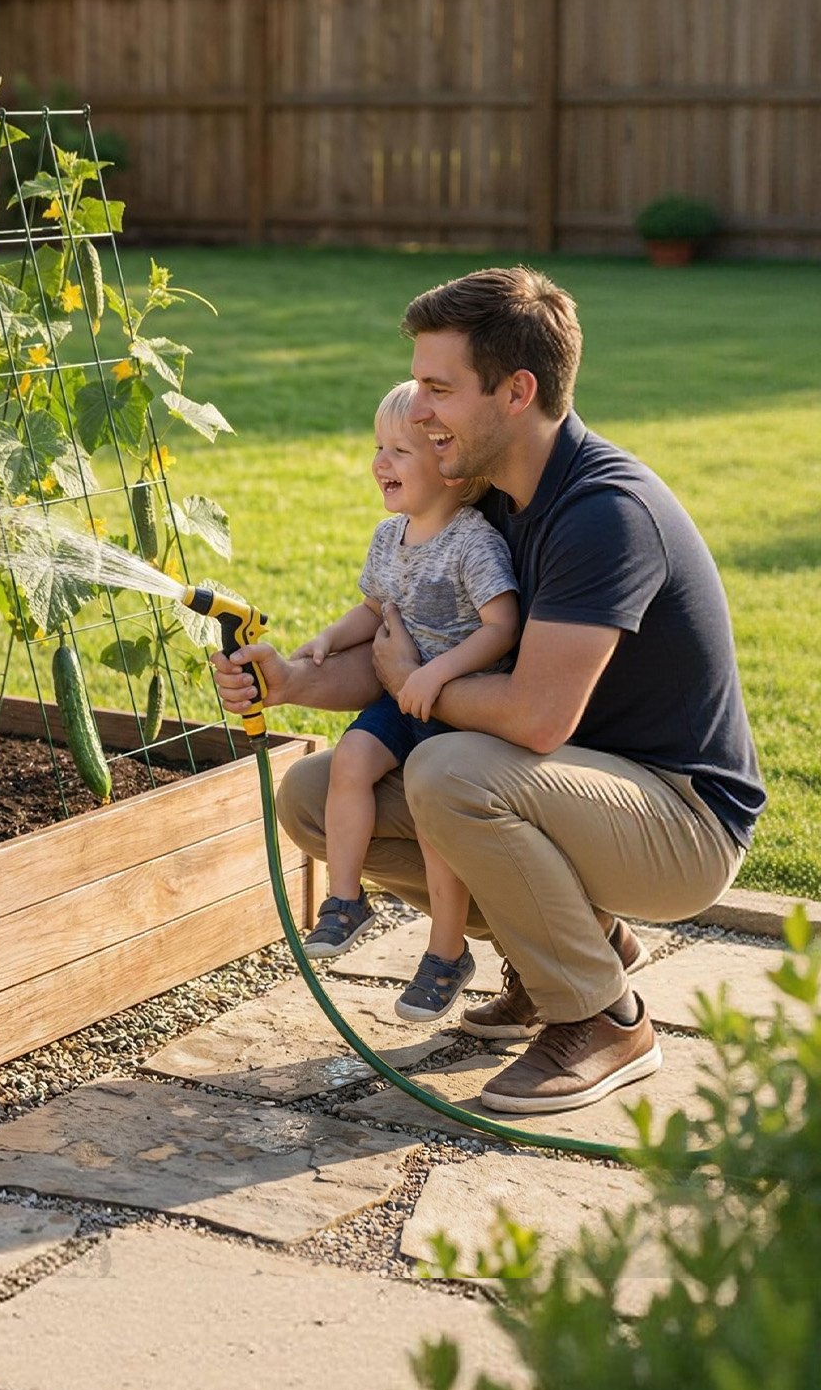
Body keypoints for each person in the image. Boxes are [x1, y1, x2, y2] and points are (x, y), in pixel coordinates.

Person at [213, 266, 763, 1115]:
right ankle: (579, 947)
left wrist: (409, 684)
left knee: (450, 773)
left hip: (682, 822)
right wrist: (290, 682)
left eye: (440, 389)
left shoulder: (603, 513)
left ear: (517, 392)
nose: (420, 410)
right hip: (573, 789)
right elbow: (402, 658)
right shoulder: (491, 501)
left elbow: (535, 718)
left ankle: (602, 1018)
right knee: (316, 798)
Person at [297, 380, 519, 1027]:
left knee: (433, 823)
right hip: (404, 698)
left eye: (399, 451)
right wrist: (329, 638)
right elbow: (374, 609)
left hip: (457, 713)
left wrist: (438, 675)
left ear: (451, 469)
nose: (380, 463)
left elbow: (502, 626)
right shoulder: (388, 537)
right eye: (378, 448)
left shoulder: (474, 542)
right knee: (350, 761)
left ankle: (446, 954)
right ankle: (345, 901)